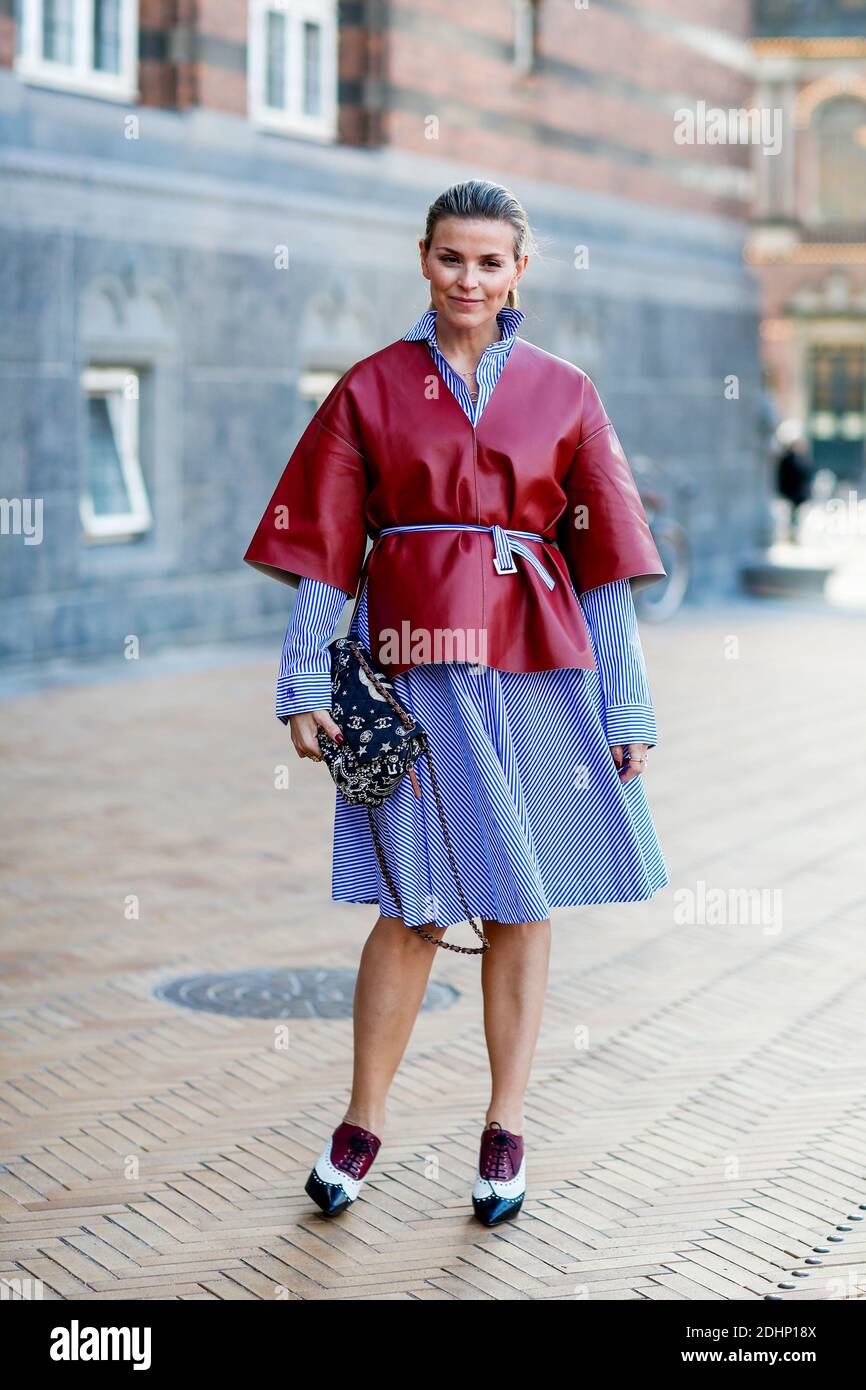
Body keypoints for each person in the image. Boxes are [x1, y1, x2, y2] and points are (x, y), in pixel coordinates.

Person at [244, 179, 669, 1227]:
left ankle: (505, 1124)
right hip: (408, 669)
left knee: (520, 902)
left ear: (519, 269)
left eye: (489, 261)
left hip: (535, 668)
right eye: (449, 258)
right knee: (411, 904)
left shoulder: (568, 390)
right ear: (422, 260)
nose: (467, 278)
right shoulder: (370, 386)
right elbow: (323, 550)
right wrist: (301, 682)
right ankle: (361, 1120)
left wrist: (626, 706)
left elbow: (603, 565)